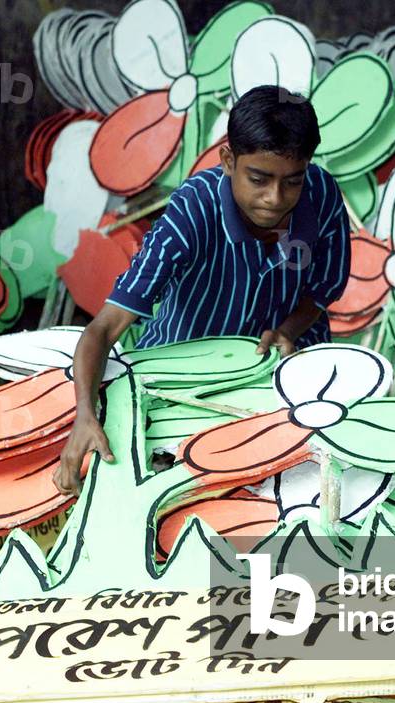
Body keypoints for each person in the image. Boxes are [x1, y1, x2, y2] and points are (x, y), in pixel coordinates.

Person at [54, 85, 350, 494]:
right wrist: (84, 414)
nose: (275, 198)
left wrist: (288, 331)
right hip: (183, 389)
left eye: (292, 181)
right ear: (228, 160)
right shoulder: (192, 211)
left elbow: (322, 291)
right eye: (259, 179)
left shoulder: (322, 196)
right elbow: (104, 328)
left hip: (280, 383)